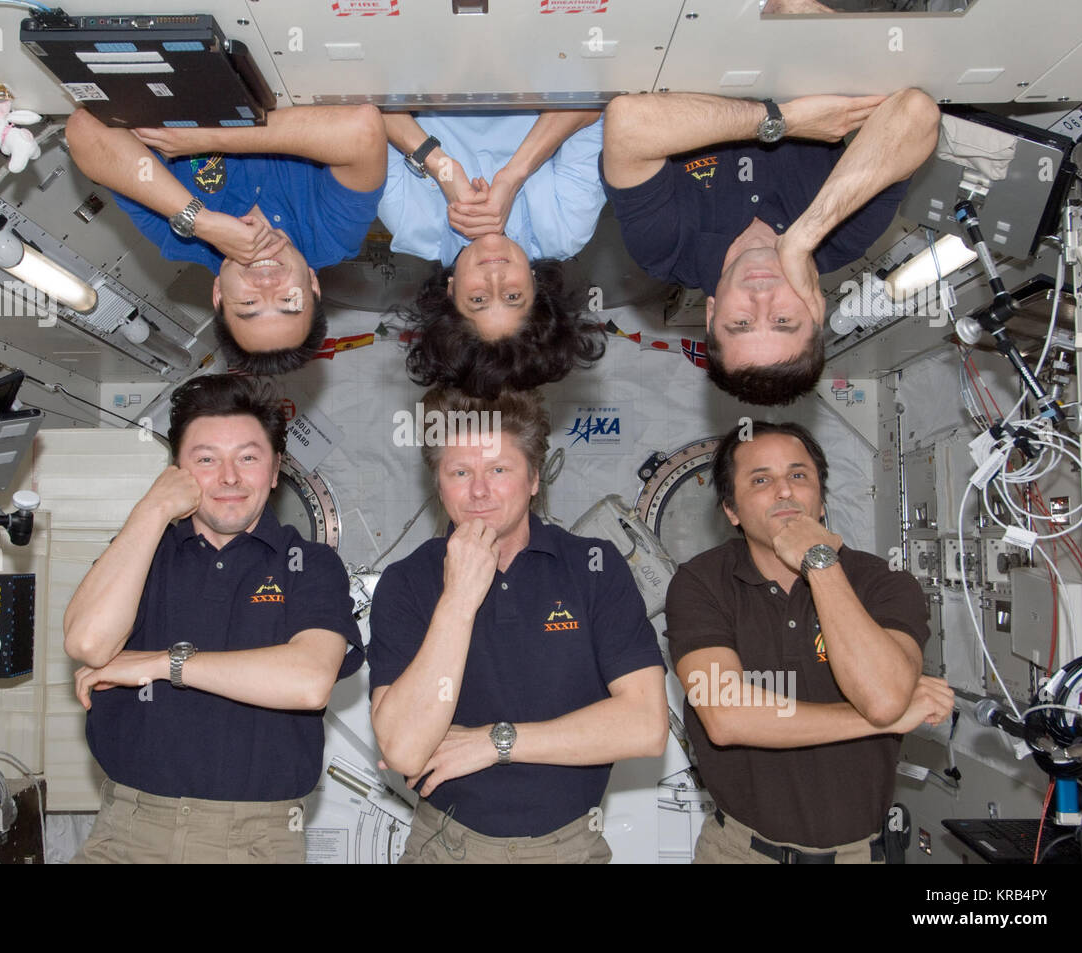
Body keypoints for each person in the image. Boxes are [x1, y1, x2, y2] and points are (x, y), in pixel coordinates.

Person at [63, 374, 364, 863]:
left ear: (275, 471)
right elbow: (89, 643)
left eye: (247, 458)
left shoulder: (307, 563)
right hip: (125, 832)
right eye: (205, 460)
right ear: (176, 471)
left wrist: (163, 663)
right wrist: (152, 508)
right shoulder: (144, 555)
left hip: (251, 841)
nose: (228, 477)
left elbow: (308, 681)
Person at [368, 386, 668, 863]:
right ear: (439, 483)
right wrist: (459, 599)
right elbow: (404, 749)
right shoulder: (406, 581)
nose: (479, 491)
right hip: (445, 845)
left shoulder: (593, 566)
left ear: (533, 480)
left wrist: (495, 742)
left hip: (569, 845)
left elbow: (646, 726)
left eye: (499, 470)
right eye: (460, 472)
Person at [664, 420, 954, 864]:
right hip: (741, 853)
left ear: (820, 499)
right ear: (731, 510)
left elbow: (881, 696)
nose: (784, 491)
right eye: (761, 480)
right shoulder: (701, 583)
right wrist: (888, 719)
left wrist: (819, 562)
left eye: (798, 476)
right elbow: (727, 716)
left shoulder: (883, 584)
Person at [600, 88, 940, 404]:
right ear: (816, 310)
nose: (760, 298)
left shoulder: (666, 251)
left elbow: (628, 121)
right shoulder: (843, 237)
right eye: (782, 319)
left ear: (711, 313)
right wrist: (804, 235)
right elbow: (916, 111)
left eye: (741, 323)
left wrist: (782, 120)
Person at [64, 106, 387, 374]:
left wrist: (199, 220)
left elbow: (86, 128)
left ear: (218, 295)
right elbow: (362, 129)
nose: (266, 283)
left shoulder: (178, 238)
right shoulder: (332, 237)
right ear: (313, 286)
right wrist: (208, 136)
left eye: (249, 303)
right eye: (288, 301)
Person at [382, 112, 607, 396]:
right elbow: (596, 108)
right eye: (513, 297)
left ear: (451, 292)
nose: (495, 278)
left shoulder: (410, 223)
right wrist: (514, 175)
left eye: (478, 299)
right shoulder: (566, 228)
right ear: (536, 286)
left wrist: (441, 167)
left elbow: (366, 110)